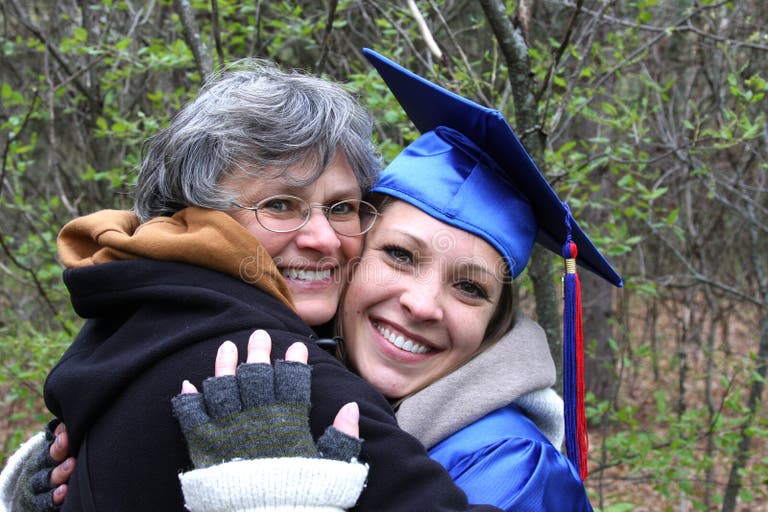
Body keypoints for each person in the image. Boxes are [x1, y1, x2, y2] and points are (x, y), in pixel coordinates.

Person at [0, 58, 505, 512]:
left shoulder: (136, 319)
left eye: (342, 207)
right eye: (280, 205)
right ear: (192, 214)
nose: (324, 239)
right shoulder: (268, 380)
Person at [154, 49, 623, 511]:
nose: (421, 305)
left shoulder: (511, 469)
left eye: (470, 287)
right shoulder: (288, 375)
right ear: (349, 257)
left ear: (493, 323)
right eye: (399, 255)